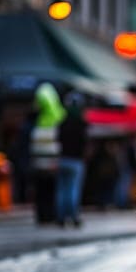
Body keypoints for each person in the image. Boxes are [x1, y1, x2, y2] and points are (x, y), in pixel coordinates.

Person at [30, 83, 65, 224]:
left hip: (46, 162)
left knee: (46, 189)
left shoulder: (48, 118)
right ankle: (46, 215)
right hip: (46, 162)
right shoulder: (58, 115)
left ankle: (47, 215)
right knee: (46, 189)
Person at [56, 92, 87, 227]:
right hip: (76, 160)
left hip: (63, 158)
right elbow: (85, 142)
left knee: (62, 189)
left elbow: (58, 140)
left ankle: (61, 217)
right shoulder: (81, 123)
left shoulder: (63, 122)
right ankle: (73, 216)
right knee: (73, 189)